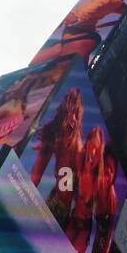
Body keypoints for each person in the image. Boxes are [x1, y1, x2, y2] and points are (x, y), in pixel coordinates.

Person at [30, 0, 127, 66]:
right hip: (76, 35)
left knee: (69, 71)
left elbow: (88, 11)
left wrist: (73, 18)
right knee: (45, 60)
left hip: (81, 36)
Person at [31, 88, 84, 228]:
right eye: (69, 113)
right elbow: (36, 176)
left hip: (64, 209)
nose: (72, 120)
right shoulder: (54, 135)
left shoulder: (77, 142)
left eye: (75, 114)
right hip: (56, 205)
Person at [67, 126, 103, 253]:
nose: (92, 152)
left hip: (85, 227)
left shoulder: (99, 179)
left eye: (96, 149)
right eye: (91, 146)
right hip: (72, 218)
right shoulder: (78, 162)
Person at [89, 146, 119, 253]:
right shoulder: (90, 181)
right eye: (106, 166)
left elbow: (111, 227)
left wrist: (106, 250)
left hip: (100, 234)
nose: (108, 171)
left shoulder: (112, 196)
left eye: (111, 170)